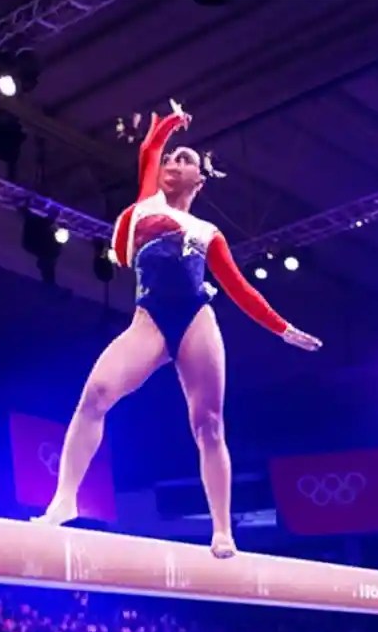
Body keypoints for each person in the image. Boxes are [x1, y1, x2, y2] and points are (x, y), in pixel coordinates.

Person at [34, 100, 321, 558]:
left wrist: (283, 329)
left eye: (185, 159)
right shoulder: (147, 202)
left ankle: (222, 528)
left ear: (200, 179)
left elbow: (242, 291)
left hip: (195, 320)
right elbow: (149, 149)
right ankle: (64, 498)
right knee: (95, 395)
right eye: (172, 158)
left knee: (208, 424)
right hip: (148, 320)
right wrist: (172, 124)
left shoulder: (208, 232)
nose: (173, 162)